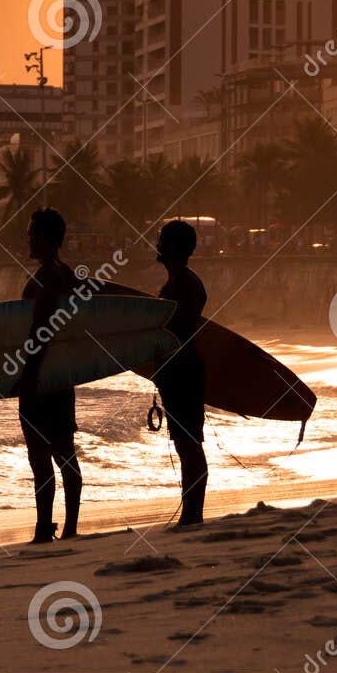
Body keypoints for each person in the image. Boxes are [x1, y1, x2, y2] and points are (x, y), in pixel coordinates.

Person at [15, 207, 82, 544]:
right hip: (61, 377)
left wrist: (27, 375)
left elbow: (40, 330)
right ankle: (69, 526)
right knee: (64, 452)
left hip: (41, 381)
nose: (28, 238)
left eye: (32, 232)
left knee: (41, 458)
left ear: (45, 237)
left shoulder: (45, 277)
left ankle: (45, 528)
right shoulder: (66, 273)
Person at [153, 219, 209, 528]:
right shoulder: (182, 280)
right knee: (185, 442)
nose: (157, 245)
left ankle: (192, 515)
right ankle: (191, 513)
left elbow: (178, 329)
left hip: (183, 369)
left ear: (173, 247)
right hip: (179, 369)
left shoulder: (184, 284)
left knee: (188, 443)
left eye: (161, 240)